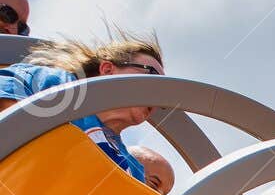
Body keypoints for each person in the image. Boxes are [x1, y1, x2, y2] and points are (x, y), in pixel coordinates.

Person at [0, 31, 163, 184]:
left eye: (162, 92)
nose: (156, 96)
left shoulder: (134, 170)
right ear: (107, 69)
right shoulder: (52, 82)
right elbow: (8, 115)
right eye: (152, 77)